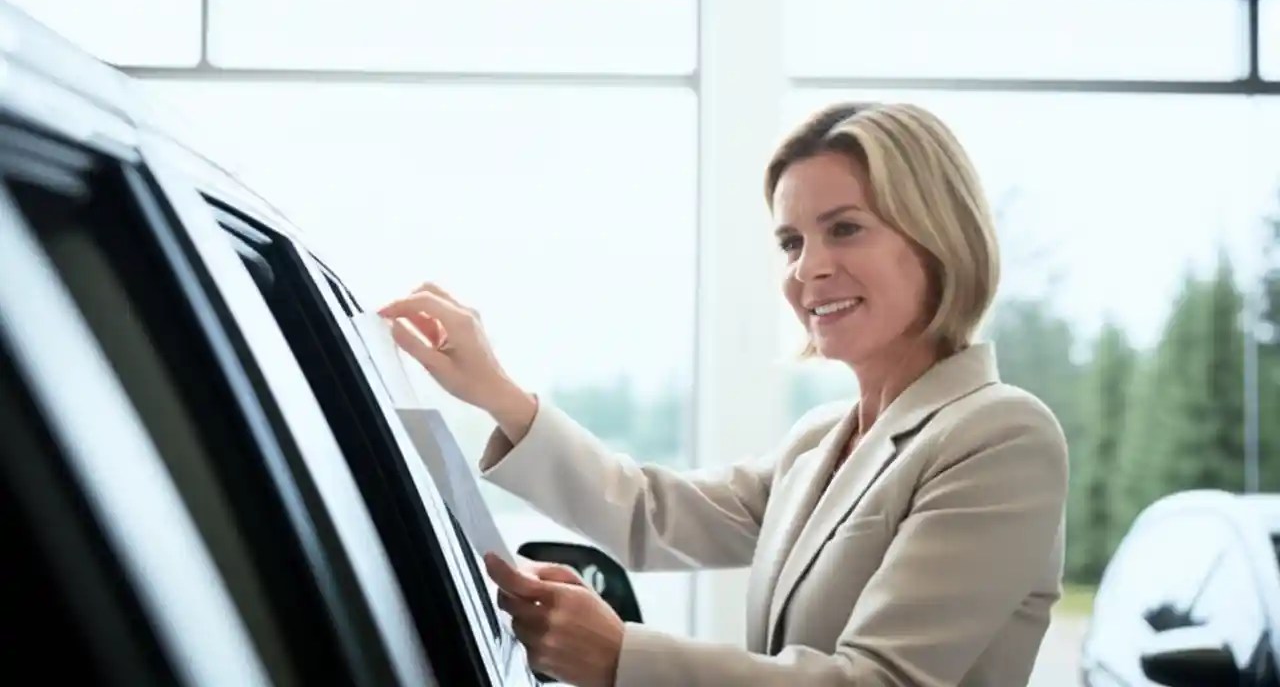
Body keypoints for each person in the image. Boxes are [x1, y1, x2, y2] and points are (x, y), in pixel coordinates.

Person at [379, 102, 1069, 687]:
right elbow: (650, 516)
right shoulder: (820, 441)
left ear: (938, 238)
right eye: (792, 242)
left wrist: (621, 658)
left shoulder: (1001, 436)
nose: (809, 269)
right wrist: (496, 393)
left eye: (845, 229)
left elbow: (880, 682)